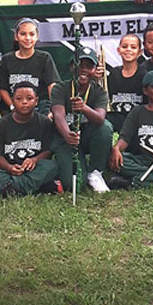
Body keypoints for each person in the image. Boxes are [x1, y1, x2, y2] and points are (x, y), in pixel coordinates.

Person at [52, 46, 112, 194]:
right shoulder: (60, 88)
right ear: (72, 66)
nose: (84, 70)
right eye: (80, 65)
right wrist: (67, 135)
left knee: (105, 127)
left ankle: (96, 172)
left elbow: (99, 118)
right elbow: (58, 115)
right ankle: (73, 167)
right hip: (66, 139)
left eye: (89, 66)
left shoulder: (99, 92)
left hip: (87, 137)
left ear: (95, 69)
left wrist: (83, 107)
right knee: (75, 185)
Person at [0, 83, 62, 198]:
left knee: (53, 166)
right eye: (19, 98)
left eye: (29, 98)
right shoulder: (2, 124)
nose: (24, 102)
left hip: (34, 168)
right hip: (10, 169)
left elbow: (47, 151)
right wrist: (9, 168)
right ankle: (42, 186)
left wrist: (34, 160)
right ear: (12, 100)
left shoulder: (44, 122)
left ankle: (9, 189)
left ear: (36, 101)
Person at [0, 18, 60, 114]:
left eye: (32, 34)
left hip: (40, 108)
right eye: (23, 34)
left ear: (37, 37)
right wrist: (12, 106)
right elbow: (3, 88)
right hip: (15, 109)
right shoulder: (7, 59)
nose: (27, 38)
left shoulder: (44, 58)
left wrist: (53, 108)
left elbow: (52, 85)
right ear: (16, 36)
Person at [104, 33, 144, 132]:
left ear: (140, 52)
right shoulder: (114, 73)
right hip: (117, 119)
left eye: (133, 47)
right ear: (118, 50)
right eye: (124, 46)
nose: (128, 49)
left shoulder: (144, 74)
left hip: (138, 121)